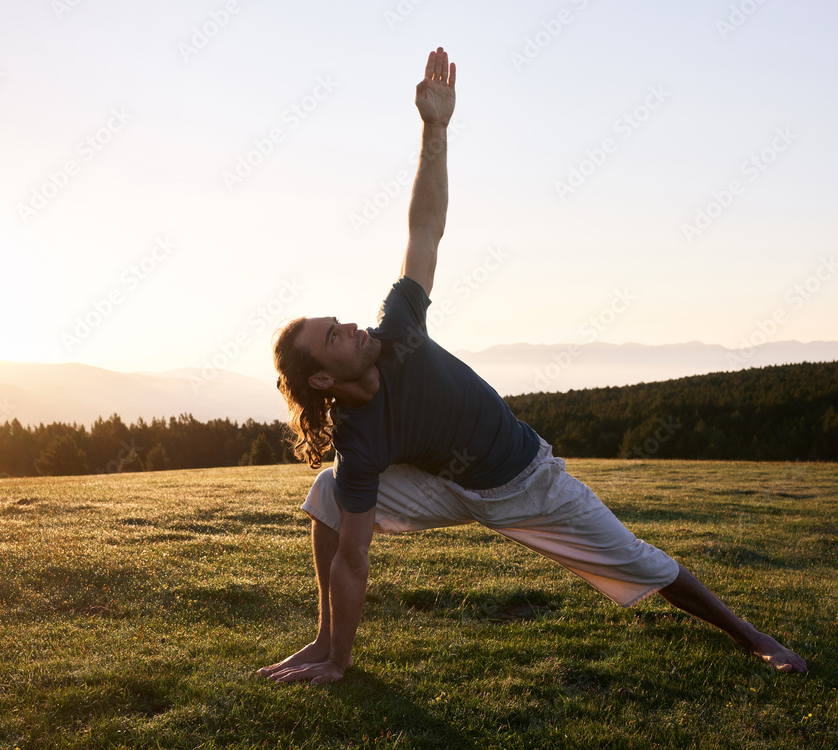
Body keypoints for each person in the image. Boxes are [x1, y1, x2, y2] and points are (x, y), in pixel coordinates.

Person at [260, 47, 807, 685]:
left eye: (340, 322)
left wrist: (434, 130)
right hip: (450, 487)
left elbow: (425, 229)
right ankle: (329, 649)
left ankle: (751, 636)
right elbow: (351, 557)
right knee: (328, 492)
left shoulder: (398, 326)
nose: (350, 326)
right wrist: (340, 660)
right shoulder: (359, 442)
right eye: (333, 336)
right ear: (323, 379)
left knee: (640, 561)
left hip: (526, 482)